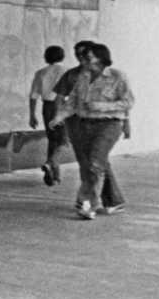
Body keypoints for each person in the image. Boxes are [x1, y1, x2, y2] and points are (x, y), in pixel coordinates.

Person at [65, 42, 133, 220]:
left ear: (100, 58)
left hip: (109, 124)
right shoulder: (82, 76)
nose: (83, 60)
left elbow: (128, 102)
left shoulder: (117, 76)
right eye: (80, 56)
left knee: (95, 163)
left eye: (87, 56)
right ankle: (114, 200)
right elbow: (71, 100)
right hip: (84, 124)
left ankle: (89, 204)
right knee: (95, 163)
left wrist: (105, 108)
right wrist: (57, 117)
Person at [29, 45, 70, 186]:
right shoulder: (65, 71)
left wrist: (32, 115)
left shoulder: (40, 73)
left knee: (52, 140)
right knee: (64, 140)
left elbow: (33, 95)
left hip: (46, 107)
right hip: (62, 105)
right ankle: (50, 162)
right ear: (62, 56)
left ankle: (54, 174)